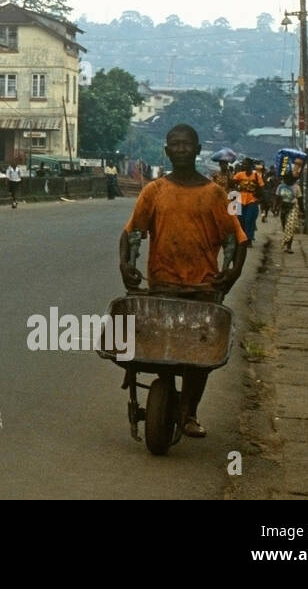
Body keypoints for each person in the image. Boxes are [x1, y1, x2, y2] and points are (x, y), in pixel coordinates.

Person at [119, 124, 248, 439]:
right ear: (166, 151)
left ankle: (189, 411)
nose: (179, 149)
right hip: (162, 285)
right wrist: (125, 263)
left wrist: (232, 273)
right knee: (165, 349)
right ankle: (168, 399)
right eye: (174, 144)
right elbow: (132, 232)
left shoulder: (216, 194)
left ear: (197, 148)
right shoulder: (154, 191)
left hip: (204, 289)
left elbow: (238, 239)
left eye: (185, 144)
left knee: (199, 356)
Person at [232, 157, 264, 243]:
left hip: (252, 200)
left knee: (249, 219)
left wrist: (259, 197)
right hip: (240, 199)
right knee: (240, 219)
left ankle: (249, 238)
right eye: (243, 164)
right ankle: (242, 236)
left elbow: (262, 187)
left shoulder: (256, 176)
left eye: (246, 164)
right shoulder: (240, 174)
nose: (244, 165)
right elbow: (232, 182)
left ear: (250, 165)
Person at [279, 170, 303, 254]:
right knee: (285, 226)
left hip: (293, 207)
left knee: (291, 226)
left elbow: (300, 199)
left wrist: (302, 211)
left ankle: (289, 246)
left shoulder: (297, 187)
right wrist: (275, 207)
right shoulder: (281, 186)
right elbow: (277, 197)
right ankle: (286, 241)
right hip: (283, 208)